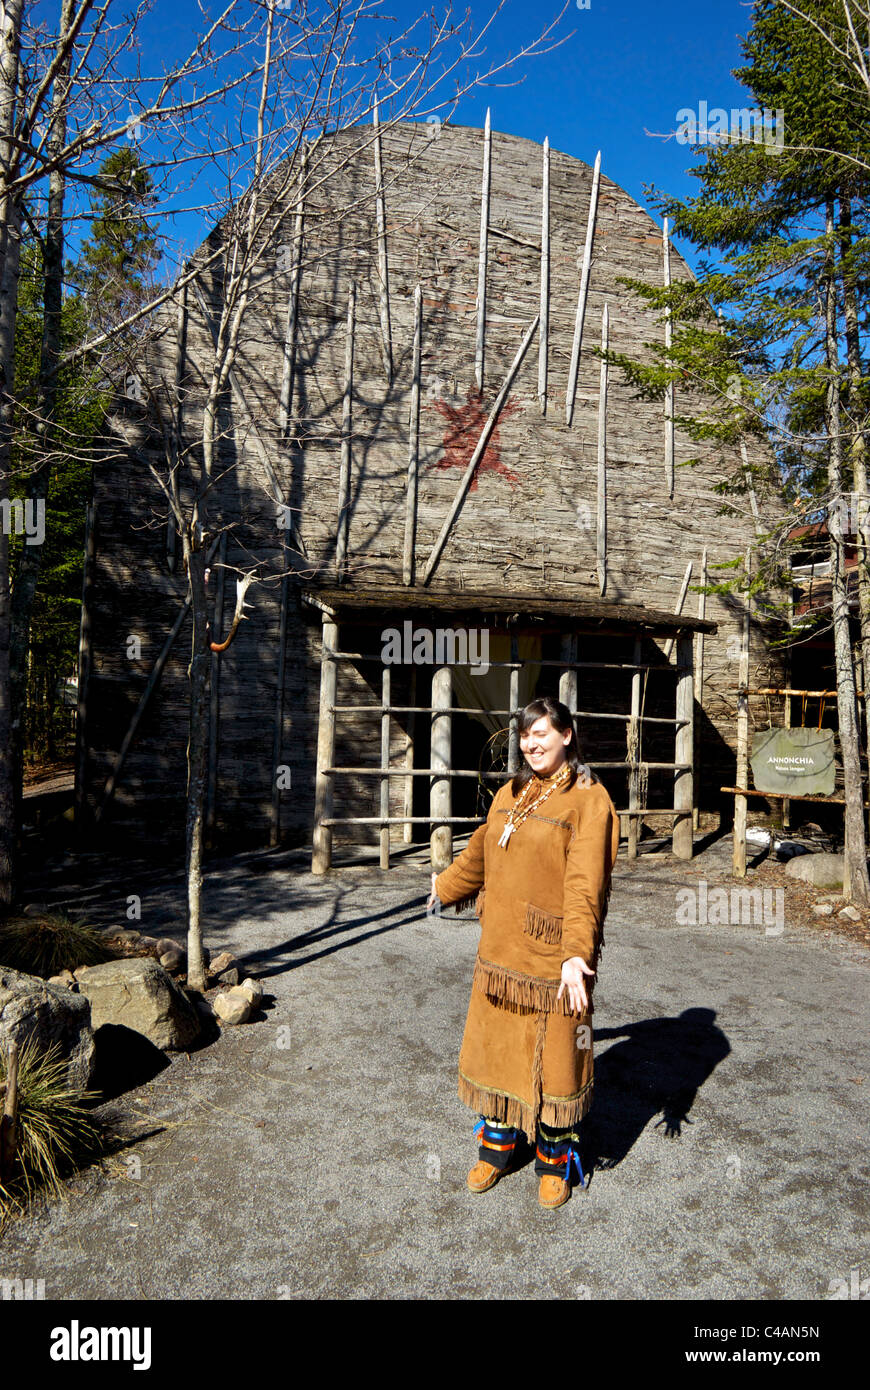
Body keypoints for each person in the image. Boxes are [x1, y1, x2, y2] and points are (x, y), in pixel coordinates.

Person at [426, 695, 619, 1209]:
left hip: (557, 959)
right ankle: (495, 1151)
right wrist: (444, 887)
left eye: (543, 734)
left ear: (567, 735)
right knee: (497, 1057)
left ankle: (555, 1163)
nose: (532, 744)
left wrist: (578, 954)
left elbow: (585, 885)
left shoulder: (588, 799)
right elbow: (482, 850)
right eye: (526, 735)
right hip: (501, 951)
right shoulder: (511, 791)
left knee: (558, 1062)